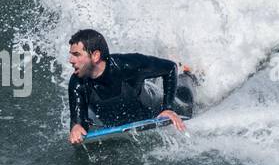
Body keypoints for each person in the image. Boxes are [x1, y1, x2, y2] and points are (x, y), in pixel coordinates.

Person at [66, 29, 197, 144]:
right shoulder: (77, 82)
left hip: (154, 105)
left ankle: (188, 73)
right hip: (131, 102)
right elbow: (78, 119)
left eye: (76, 55)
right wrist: (76, 127)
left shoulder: (127, 66)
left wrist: (167, 108)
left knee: (185, 103)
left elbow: (169, 68)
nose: (70, 60)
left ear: (95, 56)